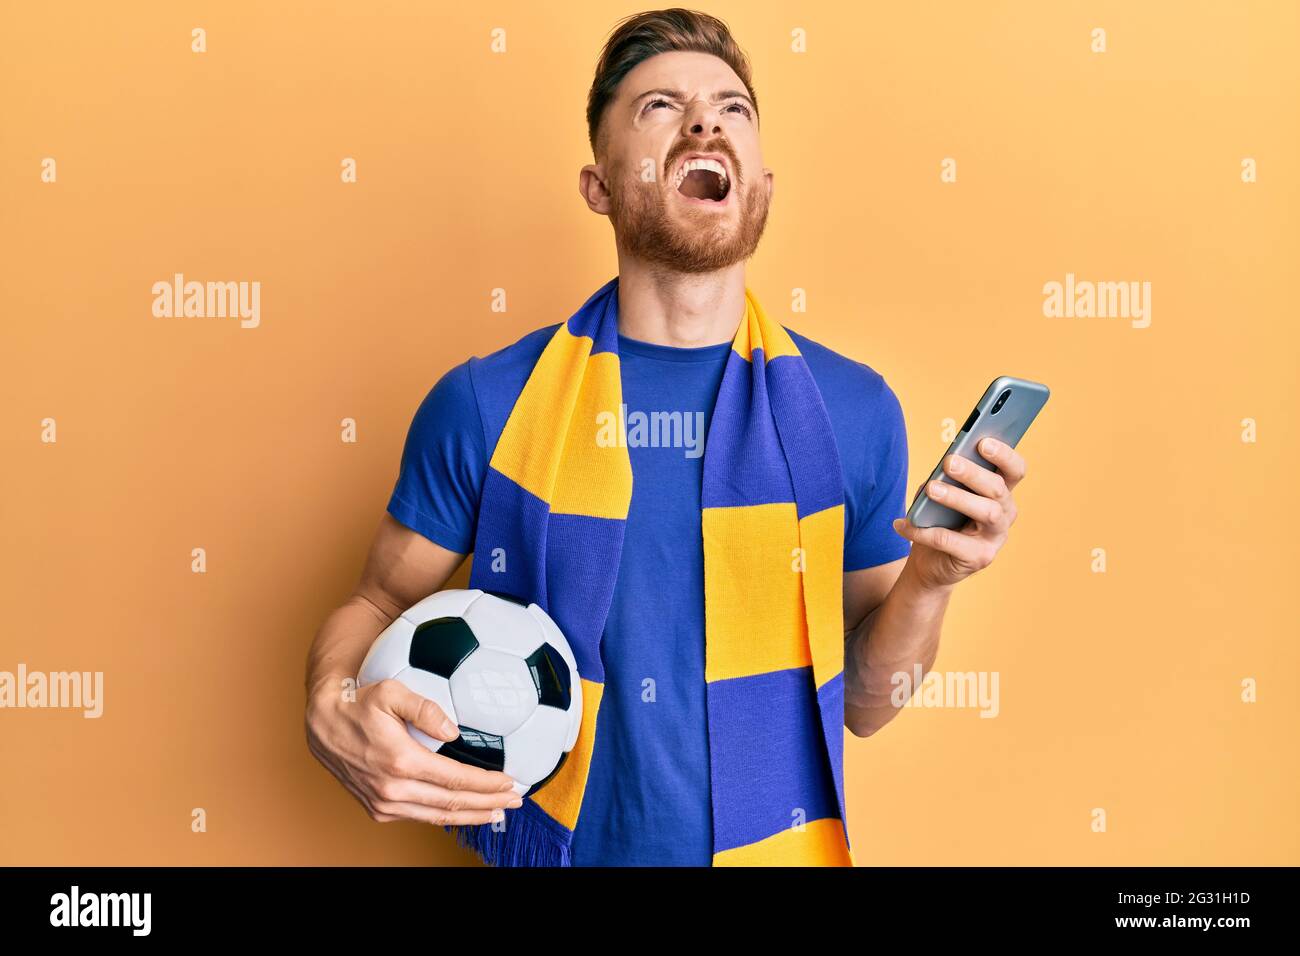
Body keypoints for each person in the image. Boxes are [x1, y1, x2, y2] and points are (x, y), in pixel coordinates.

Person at [305, 7, 1029, 866]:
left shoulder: (855, 411)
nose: (705, 121)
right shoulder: (485, 403)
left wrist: (932, 583)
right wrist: (330, 704)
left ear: (762, 181)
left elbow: (866, 703)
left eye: (733, 108)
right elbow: (378, 605)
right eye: (659, 106)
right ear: (599, 186)